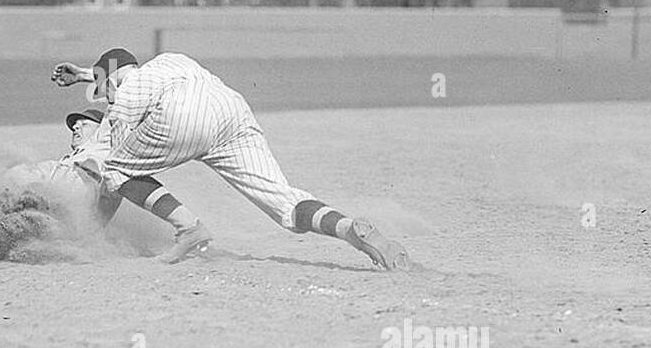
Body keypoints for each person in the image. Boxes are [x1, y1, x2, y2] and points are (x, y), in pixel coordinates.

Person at [51, 47, 410, 268]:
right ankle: (351, 230)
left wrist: (89, 231)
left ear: (110, 84)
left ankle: (189, 230)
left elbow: (112, 152)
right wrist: (85, 73)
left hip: (179, 115)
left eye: (103, 92)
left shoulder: (124, 93)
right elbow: (117, 70)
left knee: (116, 172)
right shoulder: (171, 60)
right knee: (286, 203)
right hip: (231, 110)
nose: (106, 99)